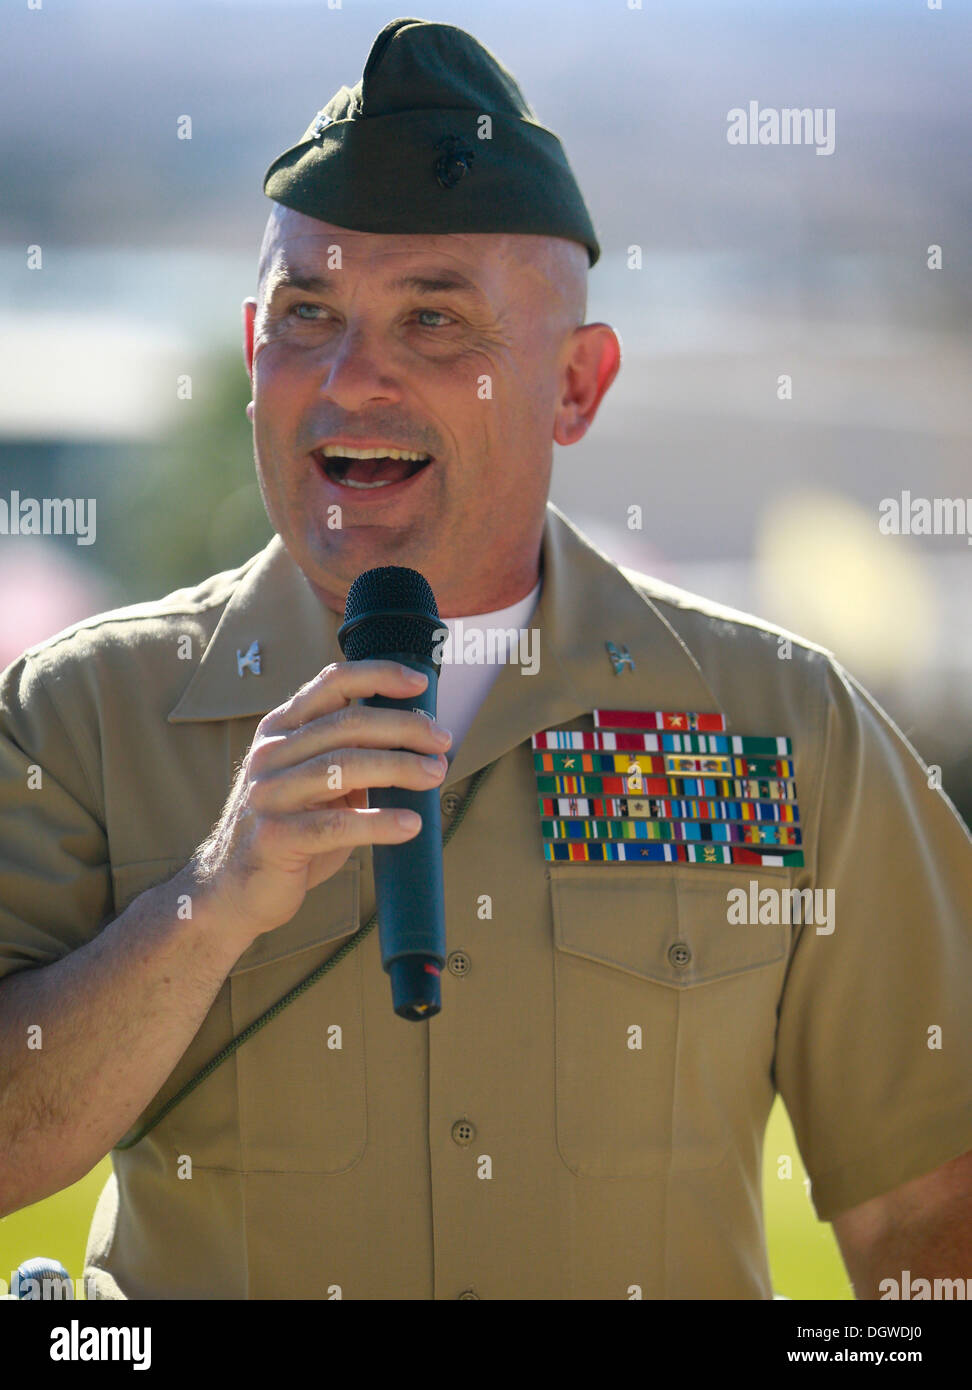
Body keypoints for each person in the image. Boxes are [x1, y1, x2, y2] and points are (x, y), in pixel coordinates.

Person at [0, 17, 969, 1302]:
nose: (352, 380)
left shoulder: (786, 727)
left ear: (576, 384)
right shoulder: (81, 716)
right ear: (251, 355)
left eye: (435, 323)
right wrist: (210, 899)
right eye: (309, 315)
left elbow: (930, 1202)